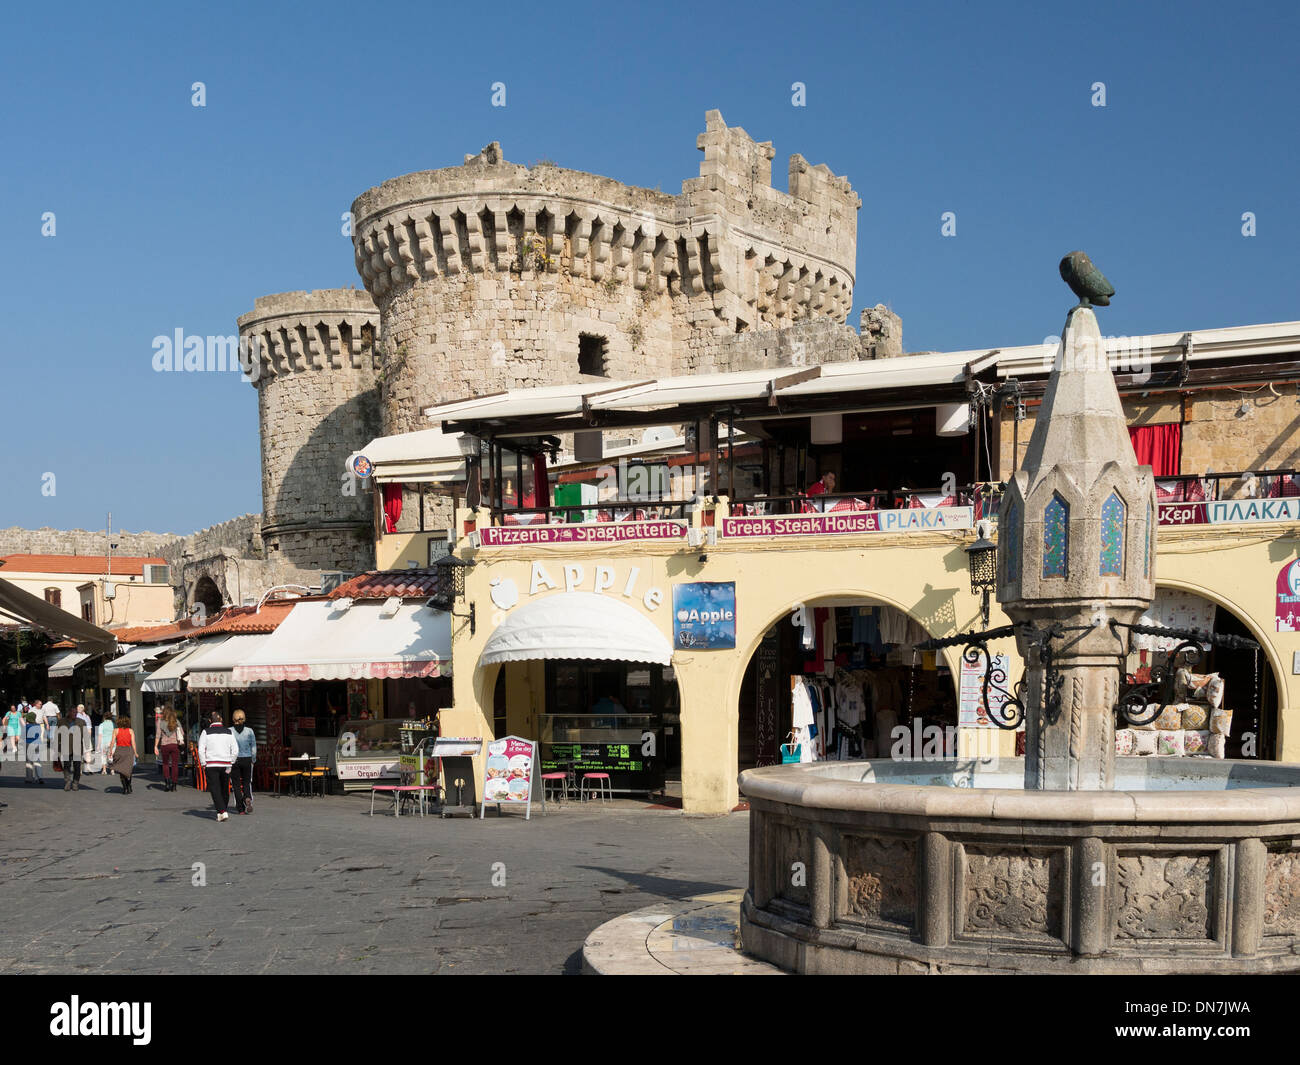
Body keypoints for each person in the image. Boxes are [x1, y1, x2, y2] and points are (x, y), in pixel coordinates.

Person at [198, 711, 238, 822]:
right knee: (225, 788)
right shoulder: (229, 732)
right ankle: (222, 810)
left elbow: (201, 749)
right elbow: (235, 750)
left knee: (215, 788)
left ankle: (222, 811)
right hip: (226, 764)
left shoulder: (206, 732)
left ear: (210, 721)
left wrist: (203, 764)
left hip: (211, 764)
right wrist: (231, 762)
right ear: (221, 720)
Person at [229, 710, 257, 814]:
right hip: (247, 759)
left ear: (233, 719)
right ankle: (247, 797)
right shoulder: (249, 731)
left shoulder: (229, 731)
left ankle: (240, 809)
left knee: (236, 784)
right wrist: (253, 759)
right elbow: (253, 747)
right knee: (246, 782)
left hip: (234, 760)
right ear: (244, 718)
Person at [57, 707, 87, 792]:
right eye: (73, 712)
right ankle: (67, 782)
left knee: (77, 767)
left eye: (76, 713)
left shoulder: (81, 722)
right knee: (66, 766)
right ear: (69, 712)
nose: (75, 714)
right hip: (66, 747)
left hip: (77, 747)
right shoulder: (61, 722)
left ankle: (75, 783)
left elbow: (85, 735)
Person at [154, 709, 184, 792]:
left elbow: (158, 735)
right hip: (175, 745)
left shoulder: (160, 722)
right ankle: (174, 785)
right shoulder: (176, 721)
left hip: (164, 745)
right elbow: (182, 733)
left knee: (165, 764)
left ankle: (167, 783)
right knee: (175, 765)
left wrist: (155, 746)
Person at [110, 715, 137, 794]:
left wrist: (110, 751)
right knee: (128, 770)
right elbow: (133, 743)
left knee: (121, 771)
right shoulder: (130, 731)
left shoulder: (116, 730)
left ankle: (125, 788)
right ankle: (129, 785)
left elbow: (112, 742)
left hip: (119, 751)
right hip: (128, 751)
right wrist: (135, 752)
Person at [23, 712, 43, 785]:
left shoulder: (26, 726)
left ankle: (29, 778)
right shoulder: (38, 725)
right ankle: (39, 777)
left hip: (28, 743)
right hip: (37, 743)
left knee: (29, 761)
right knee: (37, 760)